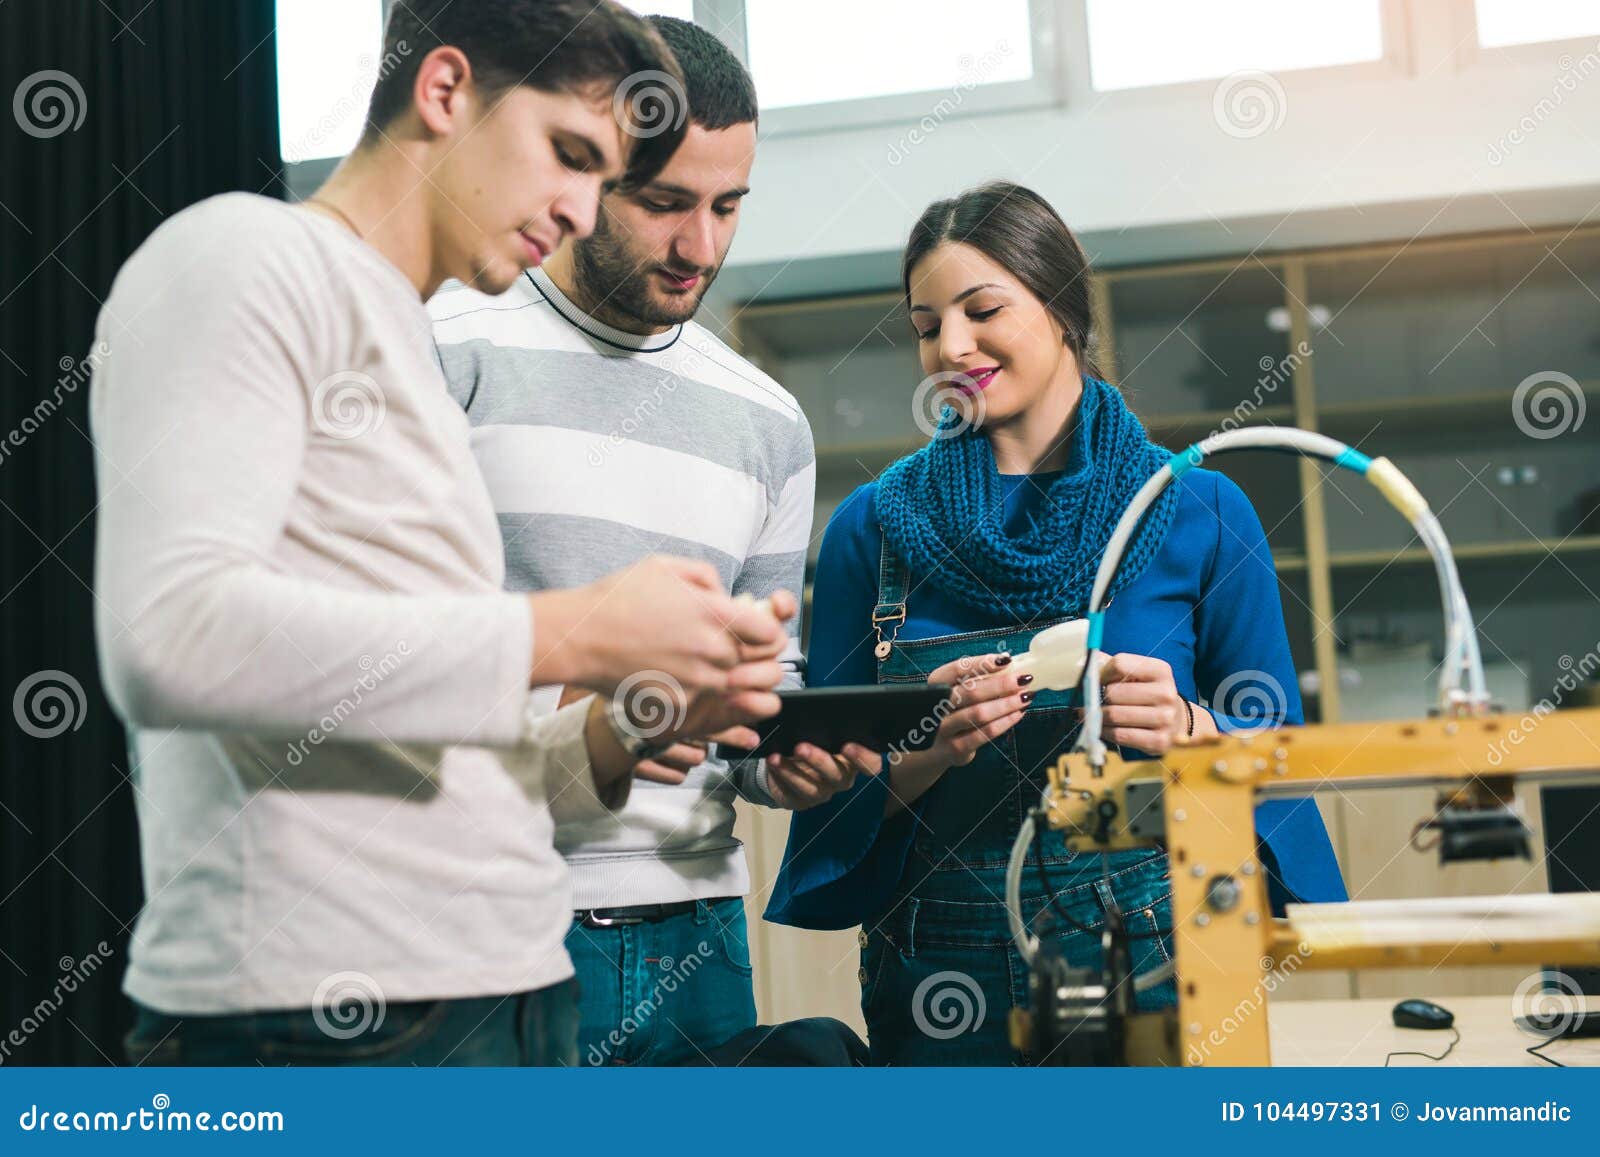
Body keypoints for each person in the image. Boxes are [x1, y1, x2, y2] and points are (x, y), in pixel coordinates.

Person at [92, 0, 792, 1068]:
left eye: (601, 178)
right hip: (327, 1013)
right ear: (446, 90)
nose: (578, 207)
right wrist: (577, 629)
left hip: (502, 992)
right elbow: (172, 637)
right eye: (569, 154)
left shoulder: (406, 356)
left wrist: (629, 718)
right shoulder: (239, 257)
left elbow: (435, 745)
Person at [765, 181, 1348, 1066]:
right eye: (926, 325)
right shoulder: (870, 530)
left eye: (982, 308)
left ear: (1063, 307)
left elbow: (1280, 753)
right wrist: (926, 745)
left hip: (1159, 958)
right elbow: (828, 792)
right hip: (937, 984)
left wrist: (1191, 729)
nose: (950, 346)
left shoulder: (1198, 507)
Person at [429, 16, 864, 1067]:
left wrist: (787, 761)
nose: (700, 247)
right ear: (585, 172)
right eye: (665, 203)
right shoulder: (445, 349)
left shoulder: (766, 419)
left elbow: (758, 694)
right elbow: (387, 666)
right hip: (488, 915)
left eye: (727, 207)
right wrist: (592, 718)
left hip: (697, 928)